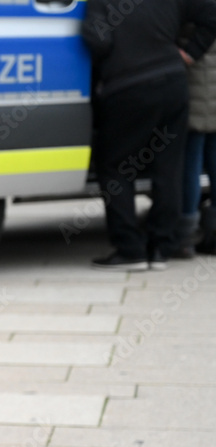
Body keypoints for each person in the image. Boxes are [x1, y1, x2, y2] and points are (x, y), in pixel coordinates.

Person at [82, 0, 216, 271]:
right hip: (173, 84)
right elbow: (212, 14)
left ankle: (130, 249)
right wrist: (190, 53)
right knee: (168, 167)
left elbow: (97, 40)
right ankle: (161, 248)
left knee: (116, 167)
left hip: (128, 87)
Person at [181, 35, 216, 256]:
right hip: (211, 95)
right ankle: (212, 237)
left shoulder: (197, 11)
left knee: (190, 168)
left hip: (195, 93)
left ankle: (186, 237)